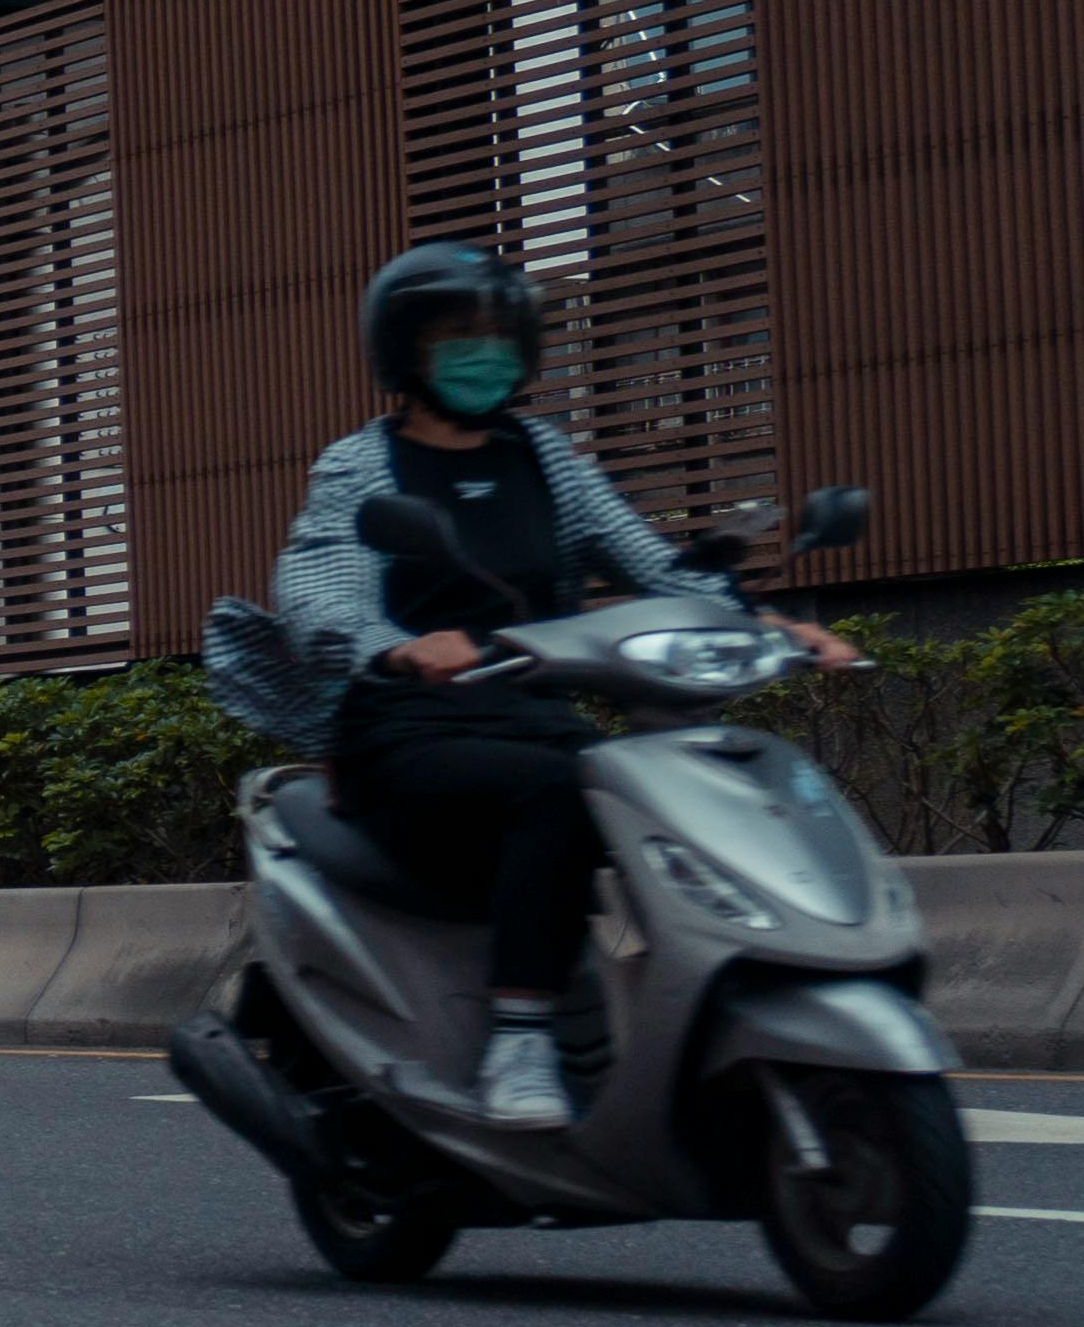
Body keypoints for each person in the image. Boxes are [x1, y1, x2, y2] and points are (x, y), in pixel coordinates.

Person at [270, 244, 852, 1132]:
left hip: (536, 720)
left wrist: (764, 625)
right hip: (408, 732)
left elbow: (653, 563)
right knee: (565, 789)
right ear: (405, 351)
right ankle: (522, 1038)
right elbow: (316, 587)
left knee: (662, 783)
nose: (485, 353)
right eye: (459, 336)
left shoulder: (545, 456)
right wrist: (394, 648)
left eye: (501, 335)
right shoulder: (364, 465)